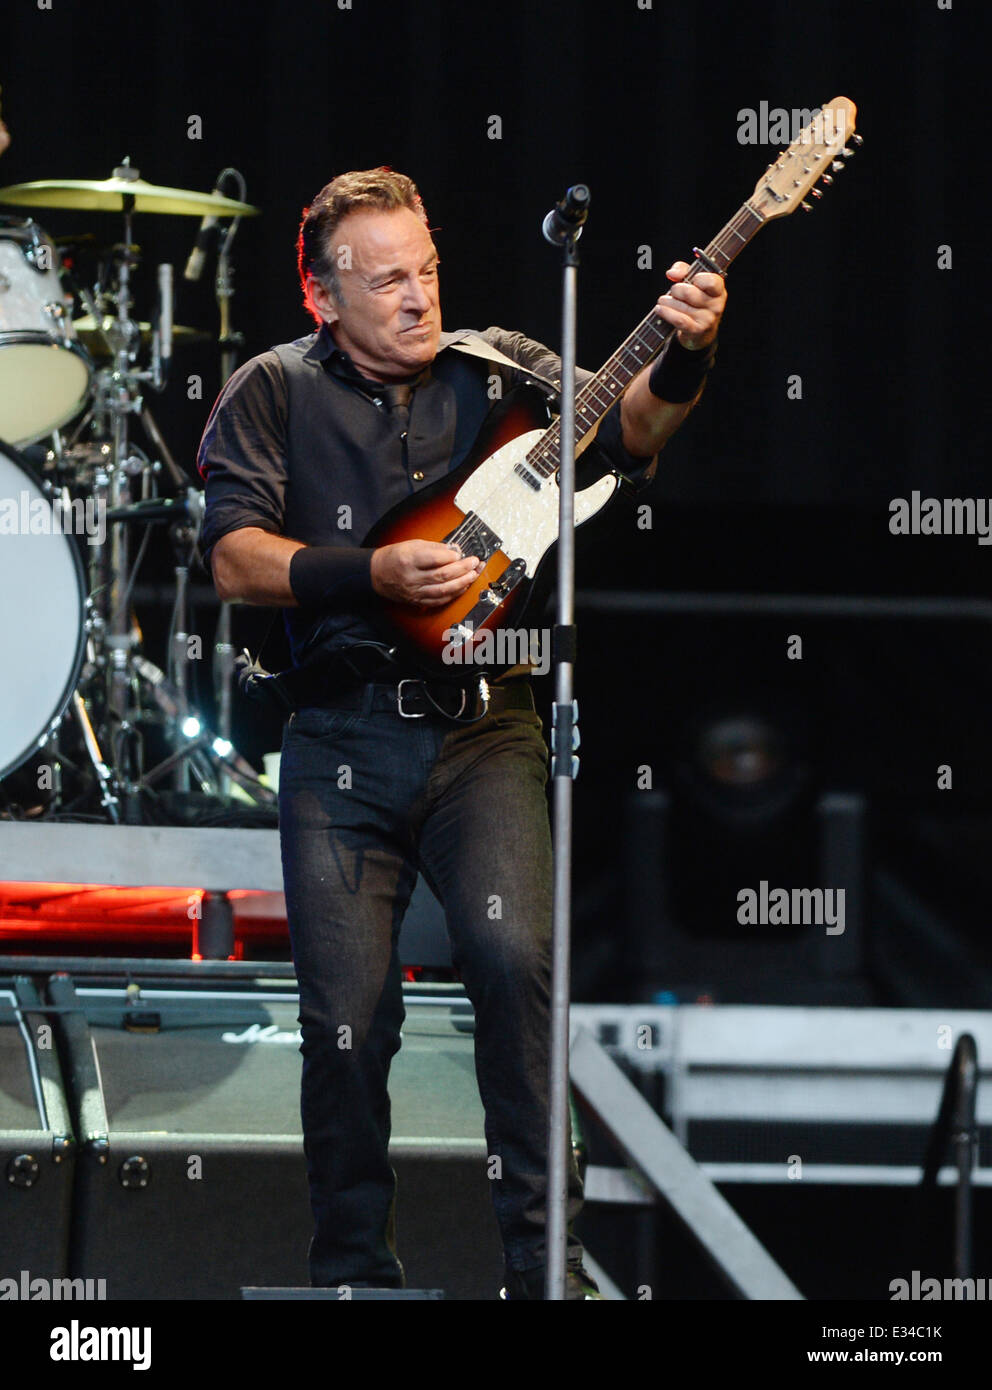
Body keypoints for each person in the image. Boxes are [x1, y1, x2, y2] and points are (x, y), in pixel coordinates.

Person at [198, 167, 726, 1299]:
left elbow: (634, 427)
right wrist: (367, 570)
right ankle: (353, 1275)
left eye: (426, 269)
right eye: (385, 279)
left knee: (515, 963)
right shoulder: (270, 389)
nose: (416, 296)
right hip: (338, 736)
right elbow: (235, 560)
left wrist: (688, 346)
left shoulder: (503, 370)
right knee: (346, 1018)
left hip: (489, 728)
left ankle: (544, 1275)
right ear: (320, 294)